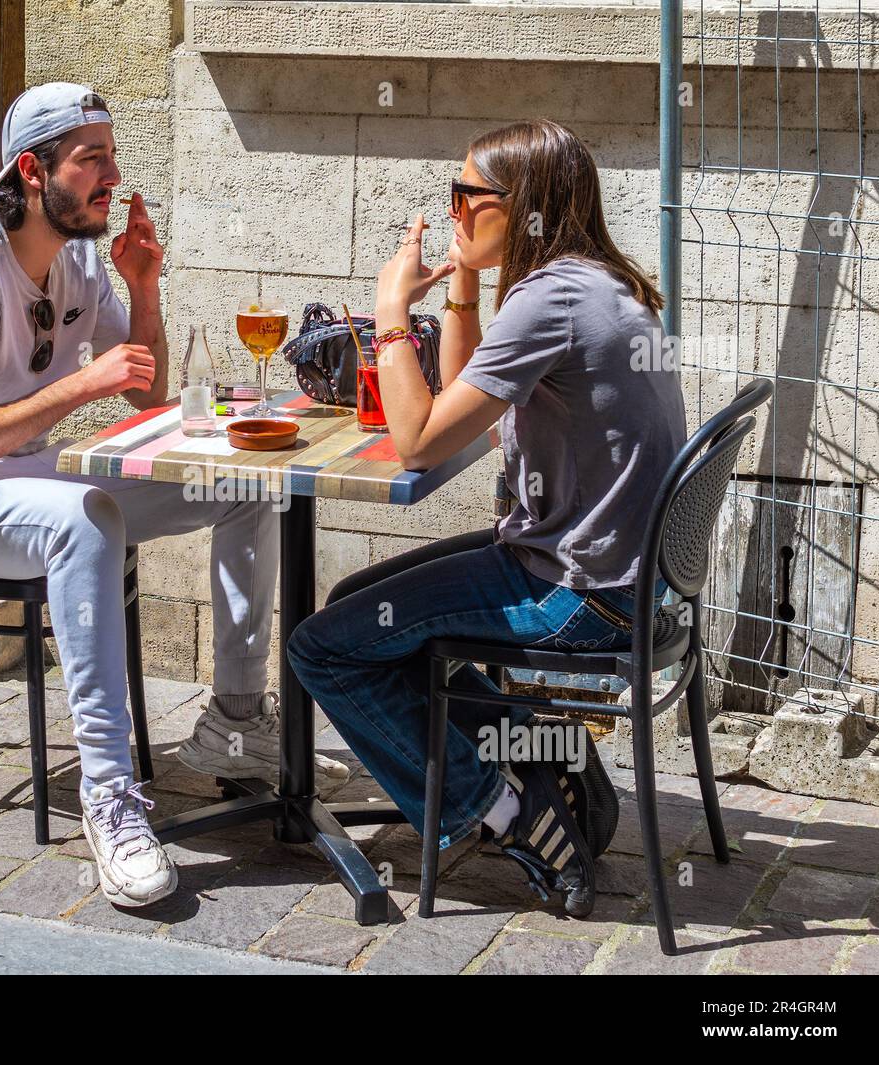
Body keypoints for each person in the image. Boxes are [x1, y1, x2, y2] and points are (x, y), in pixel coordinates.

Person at [0, 83, 345, 910]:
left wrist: (146, 287)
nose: (112, 176)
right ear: (33, 170)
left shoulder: (83, 258)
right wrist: (78, 383)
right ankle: (111, 795)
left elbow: (146, 391)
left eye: (111, 156)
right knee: (85, 520)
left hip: (28, 476)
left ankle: (235, 723)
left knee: (240, 482)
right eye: (92, 159)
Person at [287, 120, 685, 917]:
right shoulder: (584, 282)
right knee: (359, 610)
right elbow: (461, 391)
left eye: (468, 196)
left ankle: (506, 812)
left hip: (578, 593)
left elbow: (420, 439)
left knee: (324, 649)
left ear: (524, 205)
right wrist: (464, 284)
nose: (455, 210)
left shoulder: (553, 302)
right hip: (616, 579)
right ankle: (549, 753)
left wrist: (390, 311)